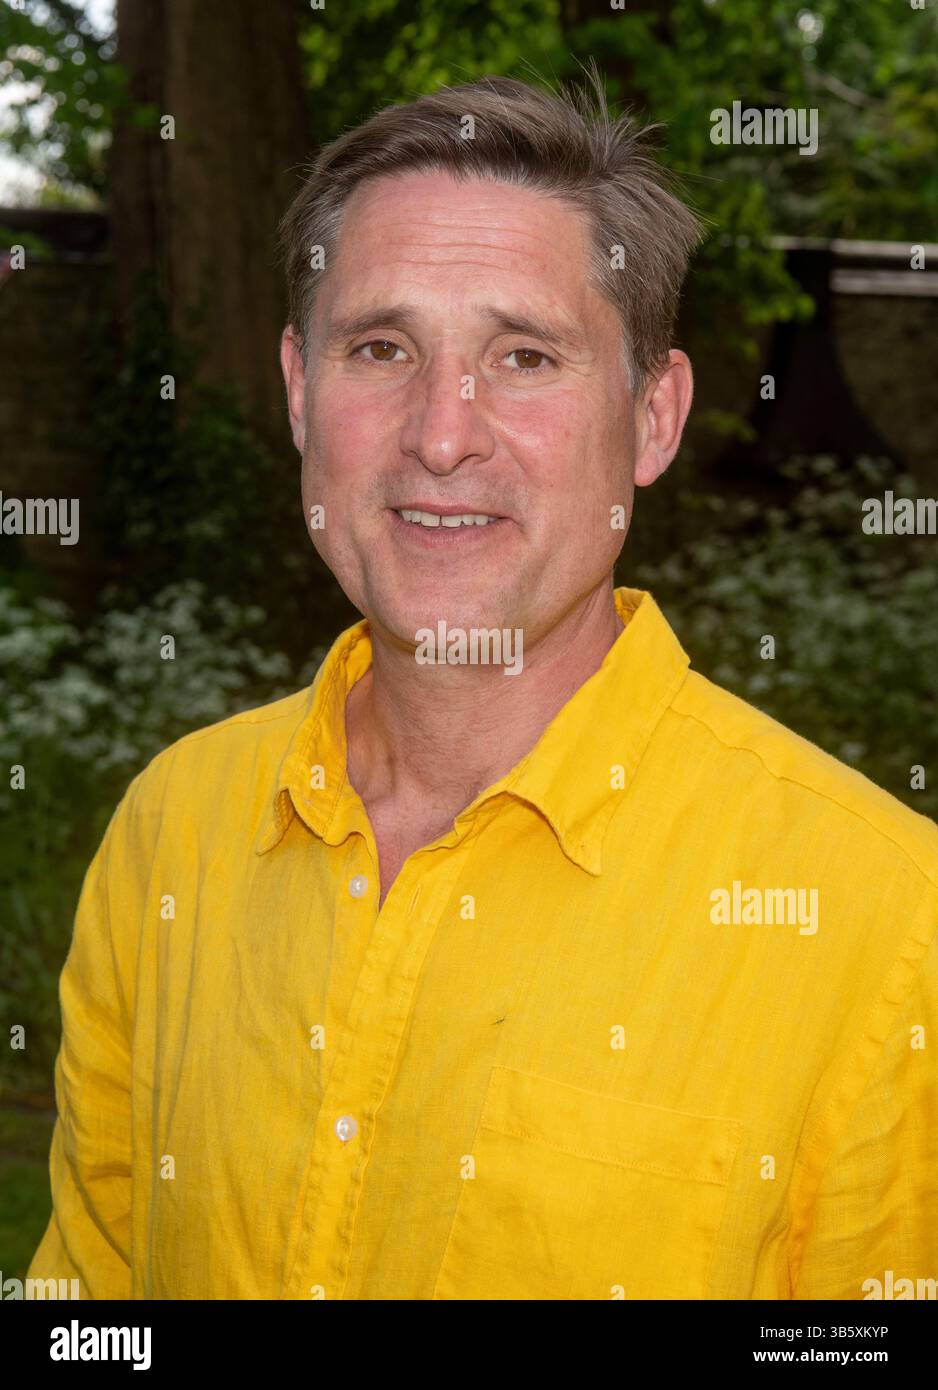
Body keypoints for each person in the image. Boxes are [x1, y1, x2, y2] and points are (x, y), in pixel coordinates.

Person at [29, 72, 938, 1301]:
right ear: (300, 391)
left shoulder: (883, 926)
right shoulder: (167, 838)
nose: (442, 432)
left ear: (654, 417)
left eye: (523, 354)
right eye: (382, 347)